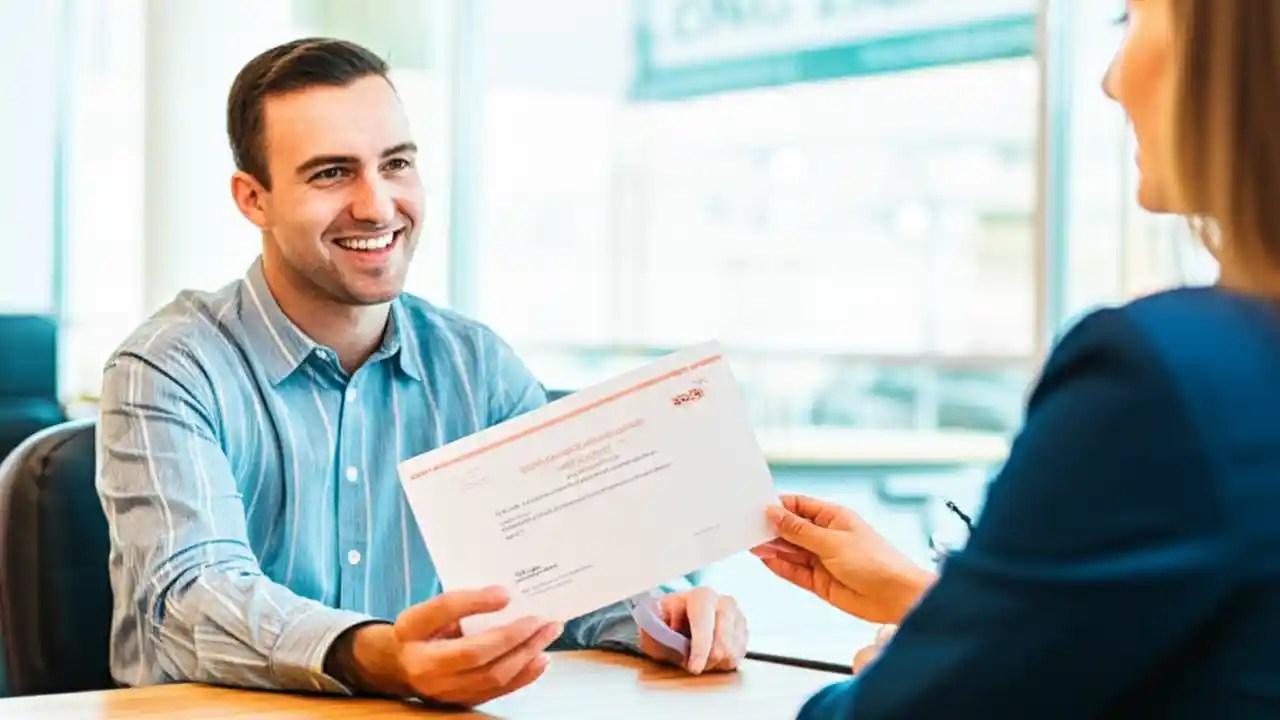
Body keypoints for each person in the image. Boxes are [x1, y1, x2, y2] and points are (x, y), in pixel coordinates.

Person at [95, 37, 747, 708]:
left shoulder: (477, 369)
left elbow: (564, 570)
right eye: (330, 174)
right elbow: (190, 595)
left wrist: (660, 615)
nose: (378, 206)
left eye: (396, 163)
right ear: (253, 199)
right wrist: (378, 655)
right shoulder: (168, 370)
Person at [753, 1, 1280, 717]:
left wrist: (895, 673)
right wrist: (936, 608)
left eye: (1130, 22)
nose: (1111, 80)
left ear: (1230, 53)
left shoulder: (1171, 377)